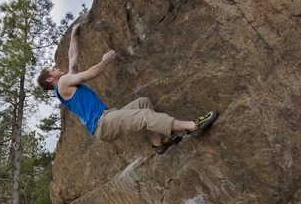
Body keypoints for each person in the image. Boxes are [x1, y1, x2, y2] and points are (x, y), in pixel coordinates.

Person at [37, 24, 218, 154]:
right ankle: (192, 126)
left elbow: (73, 58)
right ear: (49, 78)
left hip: (106, 119)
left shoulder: (65, 85)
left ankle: (159, 143)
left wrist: (73, 36)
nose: (56, 68)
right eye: (52, 69)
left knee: (143, 104)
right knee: (144, 116)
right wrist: (104, 62)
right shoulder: (62, 84)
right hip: (103, 123)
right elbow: (92, 73)